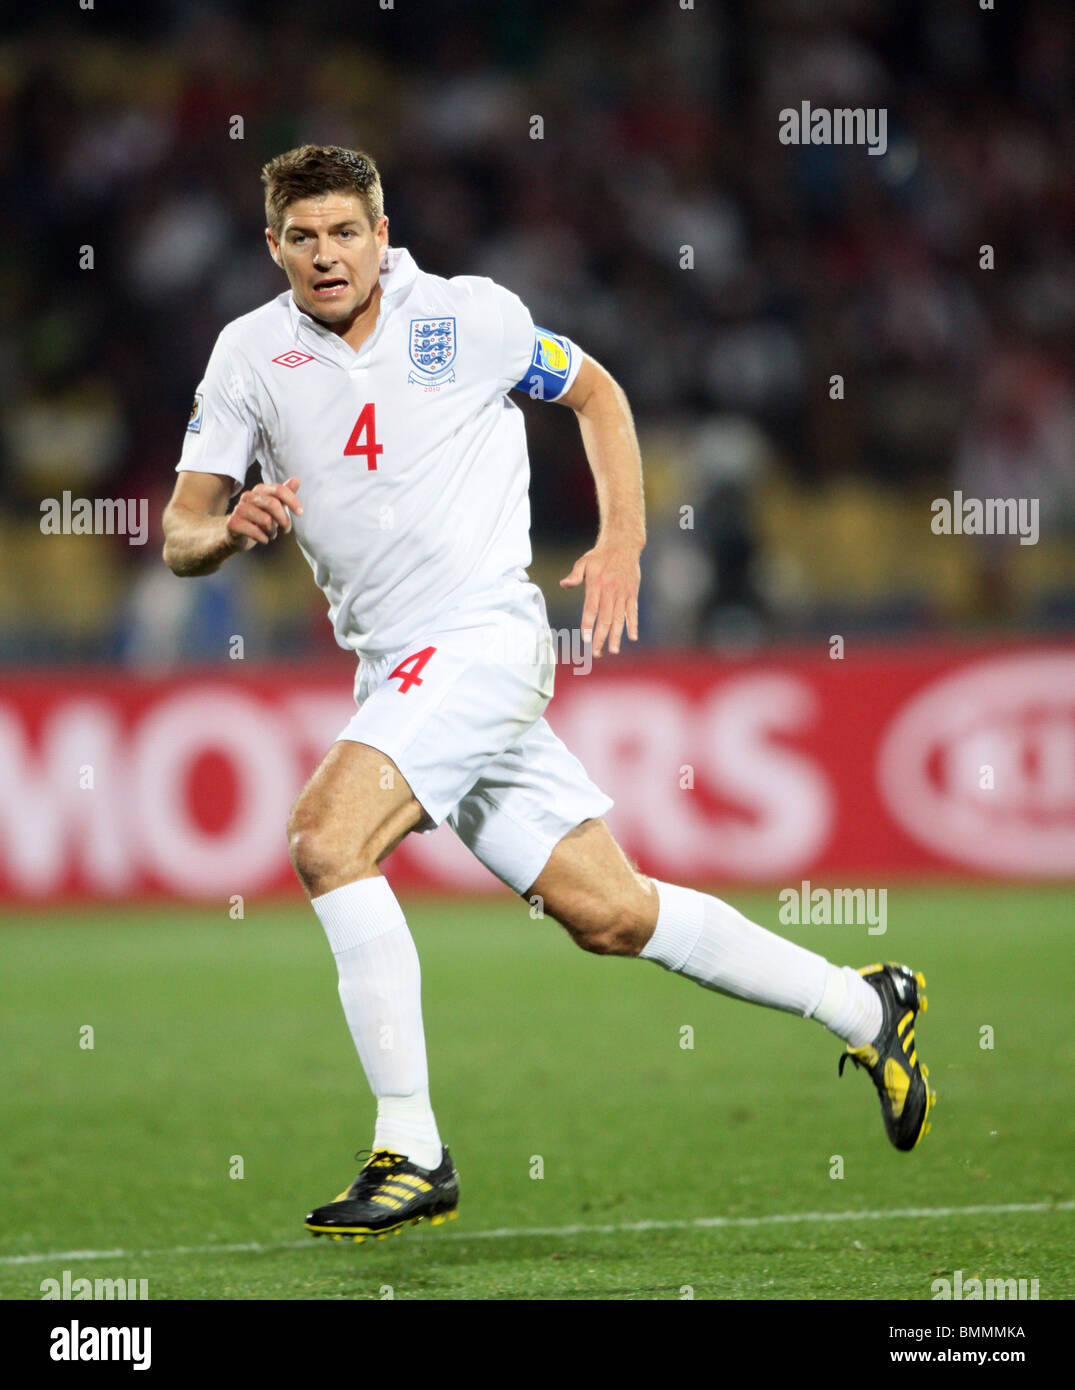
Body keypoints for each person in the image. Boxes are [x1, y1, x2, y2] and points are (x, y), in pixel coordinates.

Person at [161, 145, 934, 1244]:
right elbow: (180, 532)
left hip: (480, 640)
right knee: (610, 913)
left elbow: (597, 392)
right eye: (303, 237)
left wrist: (622, 538)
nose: (326, 255)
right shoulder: (248, 355)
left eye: (345, 233)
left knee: (326, 836)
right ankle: (868, 1005)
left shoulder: (469, 317)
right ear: (272, 245)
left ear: (383, 236)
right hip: (395, 665)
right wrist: (224, 531)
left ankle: (409, 1147)